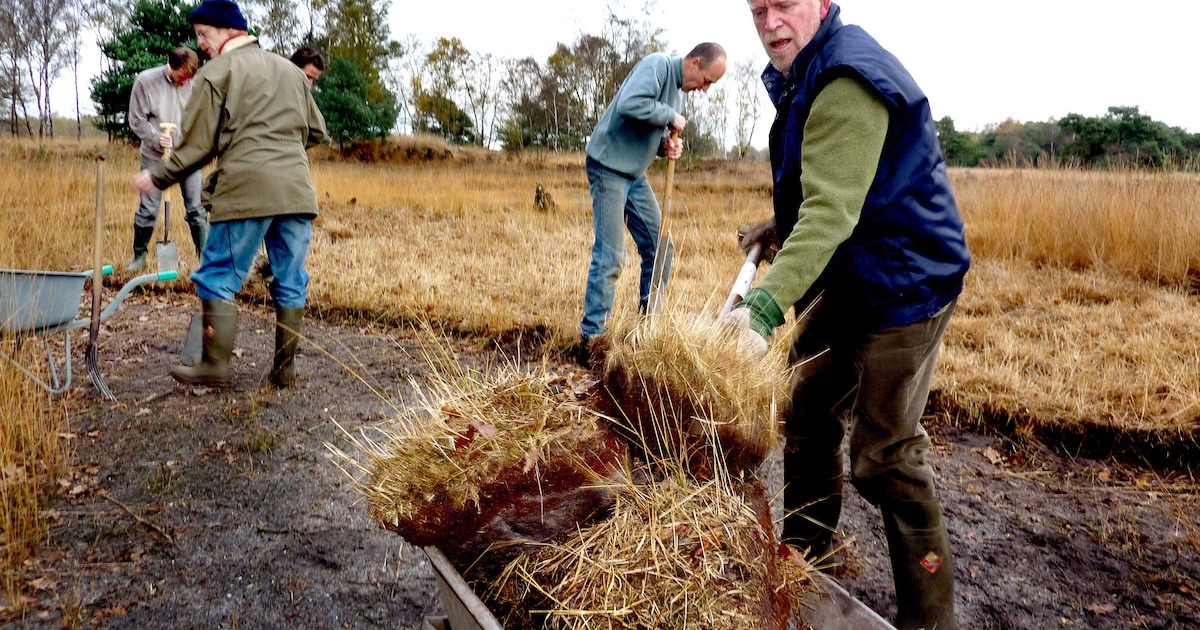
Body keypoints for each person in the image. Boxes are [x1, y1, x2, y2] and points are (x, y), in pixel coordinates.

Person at [728, 2, 971, 628]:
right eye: (758, 9)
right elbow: (833, 186)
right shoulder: (807, 69)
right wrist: (782, 226)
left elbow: (832, 213)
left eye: (784, 4)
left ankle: (931, 616)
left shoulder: (845, 79)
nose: (770, 22)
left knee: (885, 455)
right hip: (857, 273)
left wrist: (761, 308)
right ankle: (804, 563)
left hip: (908, 283)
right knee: (807, 408)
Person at [132, 0, 327, 390]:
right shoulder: (290, 71)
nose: (200, 43)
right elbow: (317, 131)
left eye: (204, 34)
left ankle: (214, 367)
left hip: (246, 190)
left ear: (227, 31)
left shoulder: (218, 72)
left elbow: (197, 147)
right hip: (297, 191)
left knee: (217, 276)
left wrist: (157, 176)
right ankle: (284, 371)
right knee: (290, 279)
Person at [576, 42, 727, 363]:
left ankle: (646, 330)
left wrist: (665, 146)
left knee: (662, 248)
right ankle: (592, 340)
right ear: (695, 63)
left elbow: (646, 130)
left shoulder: (680, 91)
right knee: (612, 256)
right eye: (707, 80)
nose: (705, 89)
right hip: (608, 167)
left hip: (634, 175)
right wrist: (669, 115)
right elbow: (629, 104)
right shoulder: (657, 66)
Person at [126, 47, 209, 270]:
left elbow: (202, 119)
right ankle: (139, 258)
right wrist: (156, 139)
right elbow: (136, 120)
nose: (186, 83)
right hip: (154, 156)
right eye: (182, 77)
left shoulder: (196, 84)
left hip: (187, 157)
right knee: (148, 209)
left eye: (190, 78)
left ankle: (205, 260)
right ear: (171, 67)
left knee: (197, 207)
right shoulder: (146, 82)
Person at [250, 45, 326, 282]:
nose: (310, 84)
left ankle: (269, 269)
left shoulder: (299, 94)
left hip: (283, 168)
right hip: (258, 165)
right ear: (294, 68)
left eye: (314, 80)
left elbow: (317, 131)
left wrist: (291, 147)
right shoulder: (266, 88)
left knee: (280, 218)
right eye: (307, 77)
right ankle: (257, 269)